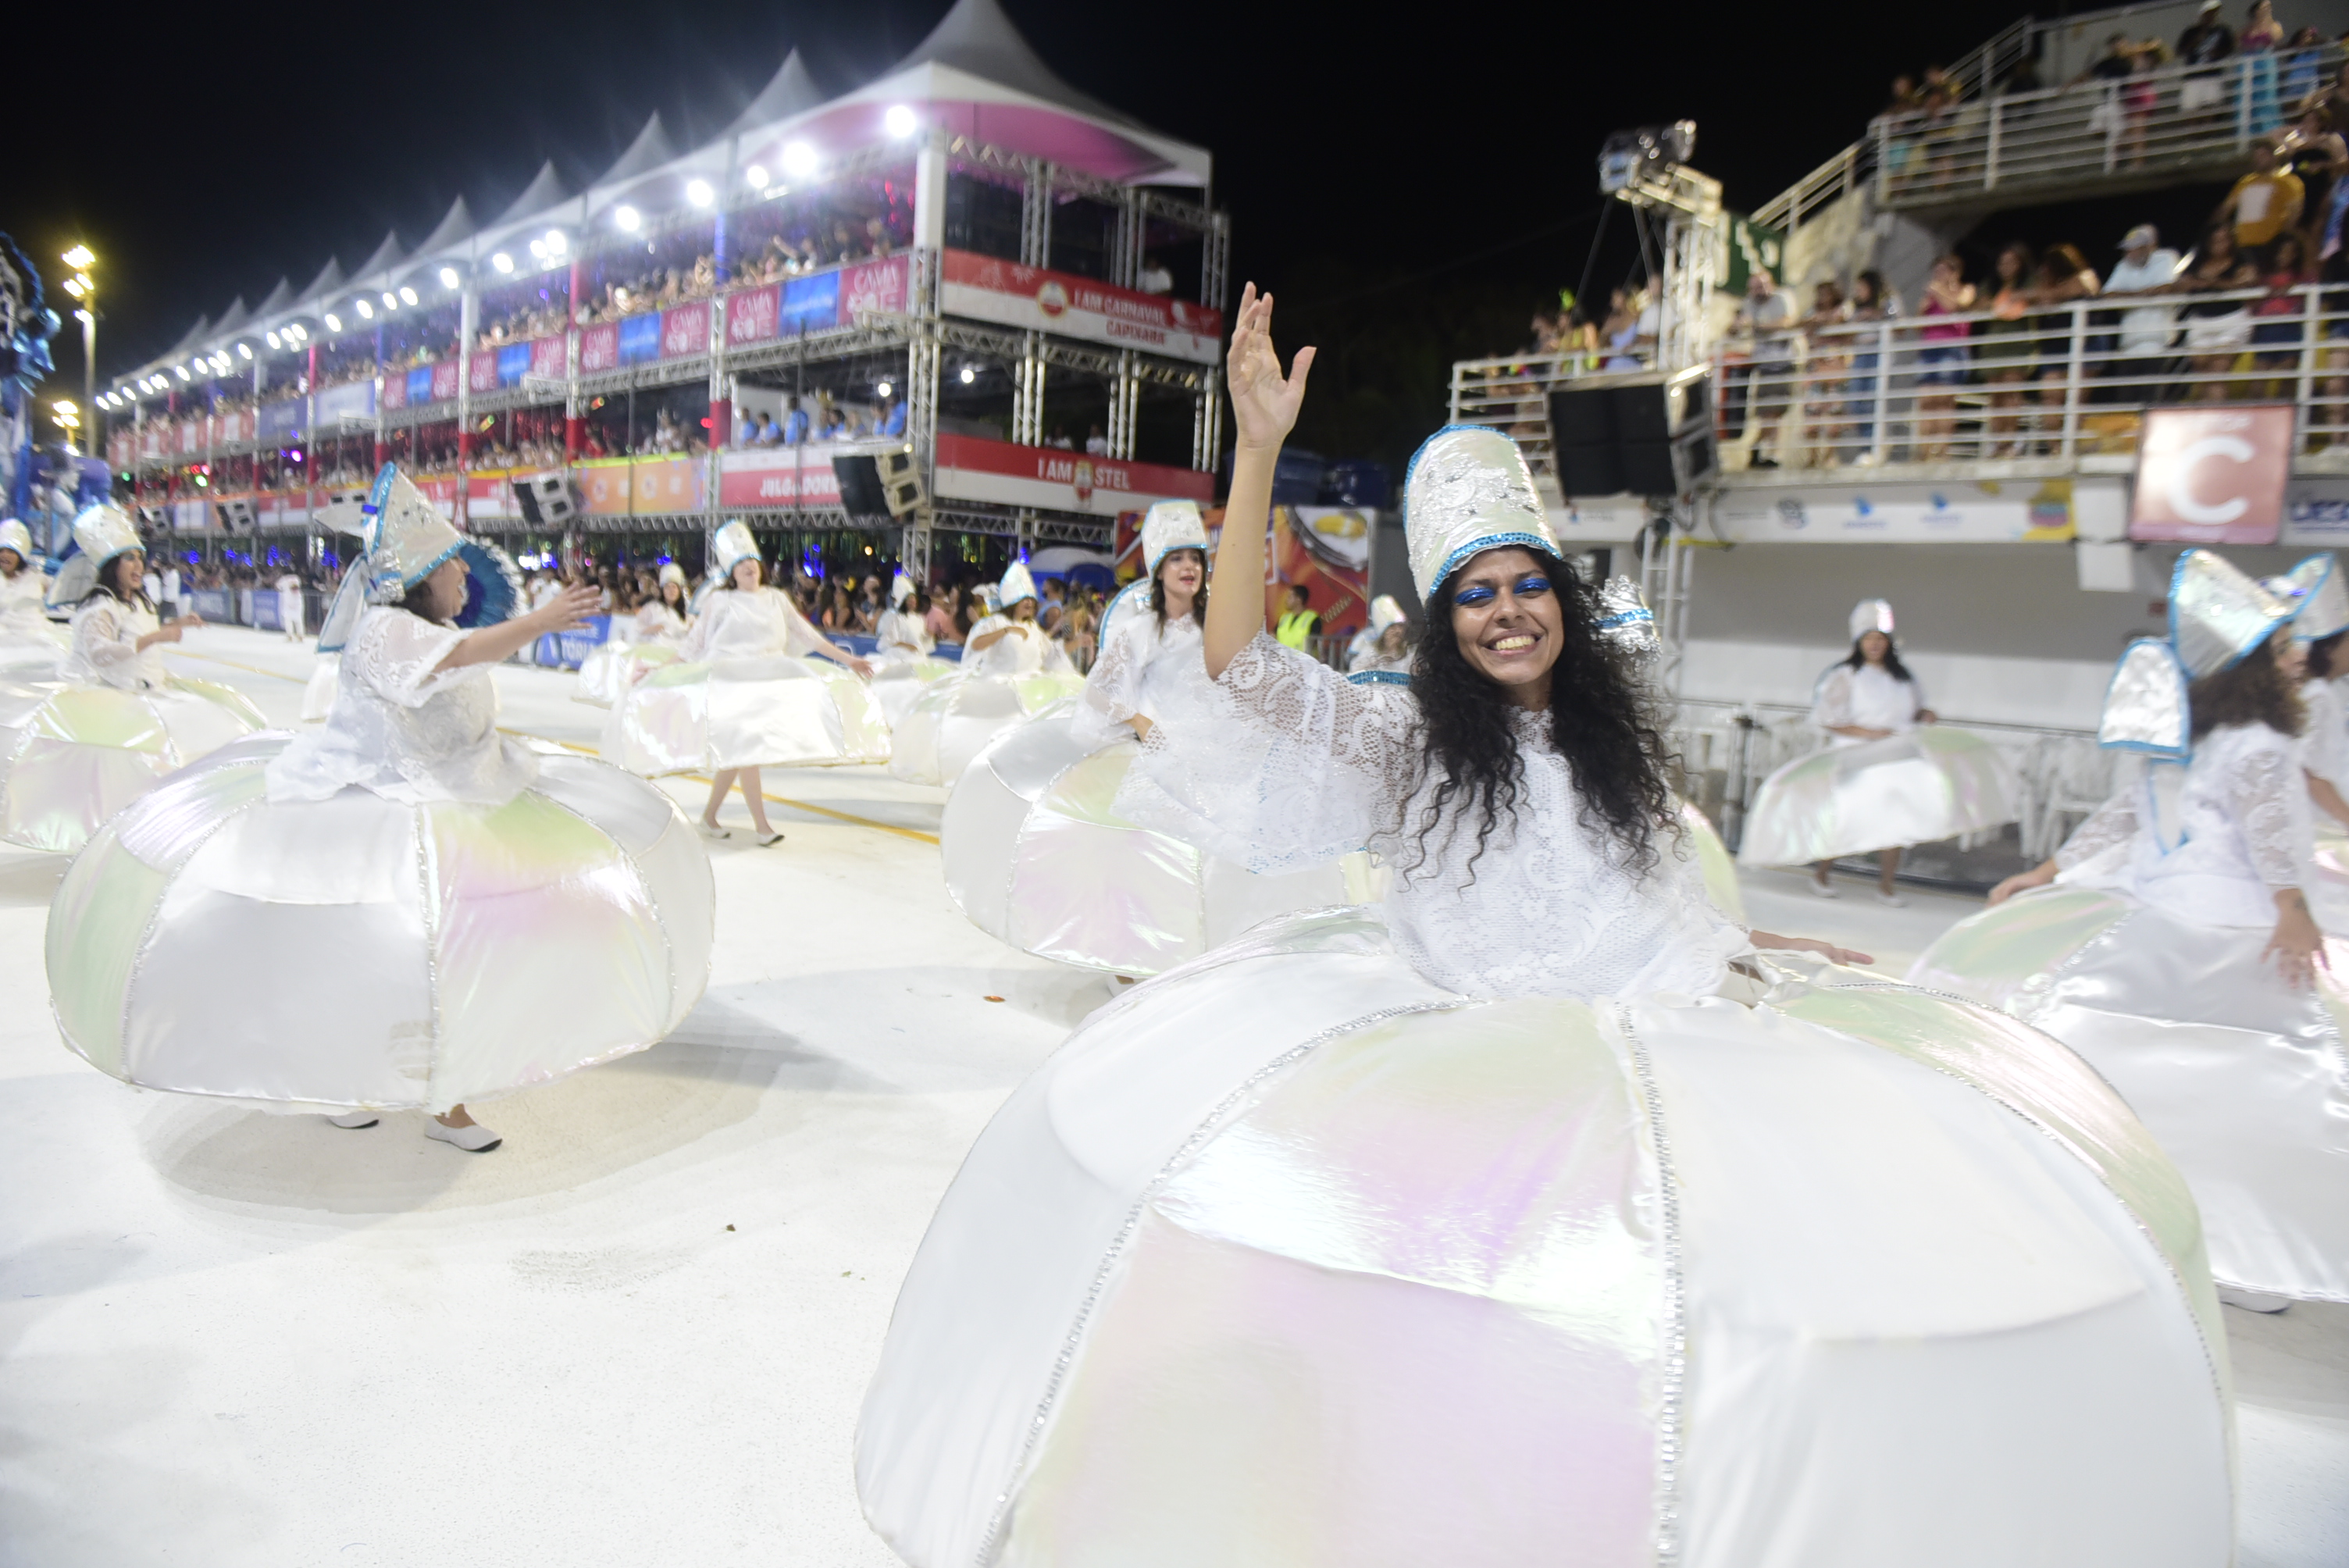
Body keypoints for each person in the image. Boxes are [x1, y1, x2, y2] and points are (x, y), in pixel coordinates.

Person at [857, 290, 2237, 1567]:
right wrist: (1258, 451)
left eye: (1525, 585)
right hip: (1466, 1095)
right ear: (1445, 620)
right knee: (1437, 1365)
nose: (1506, 611)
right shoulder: (1398, 737)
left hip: (1649, 1068)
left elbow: (1651, 900)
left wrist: (1753, 967)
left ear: (1559, 606)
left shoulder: (1611, 747)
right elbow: (1236, 659)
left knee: (1668, 1337)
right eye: (1475, 591)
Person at [46, 465, 713, 1156]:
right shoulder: (386, 630)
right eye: (455, 571)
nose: (465, 583)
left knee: (446, 963)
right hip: (380, 808)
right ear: (424, 579)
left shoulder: (421, 626)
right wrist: (537, 622)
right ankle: (360, 1088)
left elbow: (458, 667)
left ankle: (444, 1103)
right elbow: (450, 658)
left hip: (454, 797)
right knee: (384, 963)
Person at [1916, 551, 2347, 1312]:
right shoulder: (2232, 744)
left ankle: (2215, 1251)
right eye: (2279, 649)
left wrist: (2288, 904)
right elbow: (2192, 822)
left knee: (2181, 1086)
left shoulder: (2226, 743)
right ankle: (2180, 1239)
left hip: (2209, 931)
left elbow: (2257, 826)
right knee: (2223, 1096)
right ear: (2244, 666)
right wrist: (2046, 870)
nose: (2295, 660)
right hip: (2214, 931)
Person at [943, 500, 1361, 977]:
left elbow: (1252, 679)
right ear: (1159, 570)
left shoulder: (1226, 624)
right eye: (1178, 559)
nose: (1189, 568)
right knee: (1159, 872)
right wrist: (1141, 721)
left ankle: (1229, 963)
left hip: (1223, 759)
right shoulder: (1138, 631)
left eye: (1195, 558)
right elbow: (1100, 699)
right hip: (1161, 763)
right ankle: (1141, 966)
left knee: (1232, 866)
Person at [0, 504, 262, 853]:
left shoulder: (138, 603)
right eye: (128, 559)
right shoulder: (100, 606)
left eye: (140, 558)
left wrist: (173, 629)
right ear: (112, 566)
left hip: (144, 691)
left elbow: (140, 653)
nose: (138, 566)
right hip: (105, 698)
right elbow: (102, 654)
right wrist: (159, 637)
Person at [602, 521, 880, 841]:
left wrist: (850, 661)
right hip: (729, 685)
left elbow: (810, 637)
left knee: (738, 754)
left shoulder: (776, 598)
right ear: (731, 573)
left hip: (764, 685)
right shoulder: (719, 602)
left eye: (753, 565)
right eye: (743, 566)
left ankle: (709, 816)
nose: (750, 570)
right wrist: (658, 670)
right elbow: (693, 646)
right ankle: (762, 827)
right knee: (747, 752)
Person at [1738, 597, 2021, 903]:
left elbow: (1911, 712)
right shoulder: (1845, 675)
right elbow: (1827, 718)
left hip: (1896, 756)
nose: (1875, 645)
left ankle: (1886, 884)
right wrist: (1867, 733)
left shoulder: (1902, 678)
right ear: (1859, 642)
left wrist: (1924, 716)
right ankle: (1823, 873)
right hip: (1856, 756)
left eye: (1880, 640)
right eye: (1869, 639)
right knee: (1846, 817)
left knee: (1896, 822)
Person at [889, 561, 1083, 786]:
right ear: (1013, 602)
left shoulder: (1034, 629)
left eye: (1032, 601)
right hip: (999, 683)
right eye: (1025, 600)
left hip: (1031, 685)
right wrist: (1005, 631)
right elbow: (976, 645)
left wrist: (1076, 644)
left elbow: (1050, 655)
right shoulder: (995, 622)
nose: (1030, 605)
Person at [2179, 223, 2260, 400]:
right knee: (2203, 376)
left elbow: (2247, 282)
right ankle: (2210, 419)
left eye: (2224, 239)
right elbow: (2181, 283)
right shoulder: (2197, 261)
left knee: (2218, 372)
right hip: (2201, 321)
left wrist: (2212, 283)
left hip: (2231, 320)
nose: (2220, 243)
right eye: (2216, 240)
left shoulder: (2242, 259)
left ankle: (2220, 418)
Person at [2104, 225, 2184, 399]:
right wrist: (2143, 294)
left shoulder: (2165, 258)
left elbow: (2167, 287)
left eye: (2135, 248)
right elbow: (2108, 296)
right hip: (2129, 346)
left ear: (2150, 247)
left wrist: (2130, 297)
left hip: (2158, 344)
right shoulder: (2123, 265)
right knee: (2126, 401)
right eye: (2128, 249)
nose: (2129, 253)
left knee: (2153, 400)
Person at [1729, 269, 1797, 466]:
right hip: (1763, 366)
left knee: (1775, 411)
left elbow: (1787, 321)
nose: (1761, 291)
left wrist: (1756, 326)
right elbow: (1734, 329)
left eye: (1763, 285)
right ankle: (1768, 453)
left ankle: (1760, 447)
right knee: (1766, 412)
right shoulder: (1749, 304)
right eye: (1756, 288)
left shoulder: (1782, 298)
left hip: (1783, 363)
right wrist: (1737, 325)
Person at [1913, 253, 1975, 460]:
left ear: (1954, 272)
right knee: (1926, 401)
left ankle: (1941, 450)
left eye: (1942, 271)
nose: (1938, 275)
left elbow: (1954, 307)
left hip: (1951, 349)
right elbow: (1918, 325)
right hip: (1929, 349)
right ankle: (1925, 451)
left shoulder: (1966, 290)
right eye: (1936, 271)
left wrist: (1938, 291)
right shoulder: (1931, 296)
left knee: (1943, 401)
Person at [2219, 137, 2306, 269]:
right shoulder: (2245, 182)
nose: (2259, 158)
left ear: (2274, 156)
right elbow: (2227, 208)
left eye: (2263, 155)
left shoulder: (2288, 181)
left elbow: (2294, 212)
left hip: (2270, 245)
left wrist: (2281, 242)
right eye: (2256, 155)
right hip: (2243, 245)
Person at [0, 517, 69, 674]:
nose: (5, 556)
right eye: (2, 550)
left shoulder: (37, 577)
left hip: (36, 638)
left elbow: (64, 588)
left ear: (21, 554)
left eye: (11, 551)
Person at [1346, 593, 1412, 674]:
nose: (1398, 631)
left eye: (1401, 626)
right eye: (1392, 627)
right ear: (1383, 631)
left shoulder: (1409, 653)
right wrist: (1377, 660)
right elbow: (1355, 671)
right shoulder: (1369, 651)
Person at [1274, 582, 1319, 649]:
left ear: (1299, 599)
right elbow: (1273, 635)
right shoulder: (1284, 618)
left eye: (1289, 597)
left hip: (1302, 659)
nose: (1286, 600)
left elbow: (1313, 644)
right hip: (1283, 658)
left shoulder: (1312, 619)